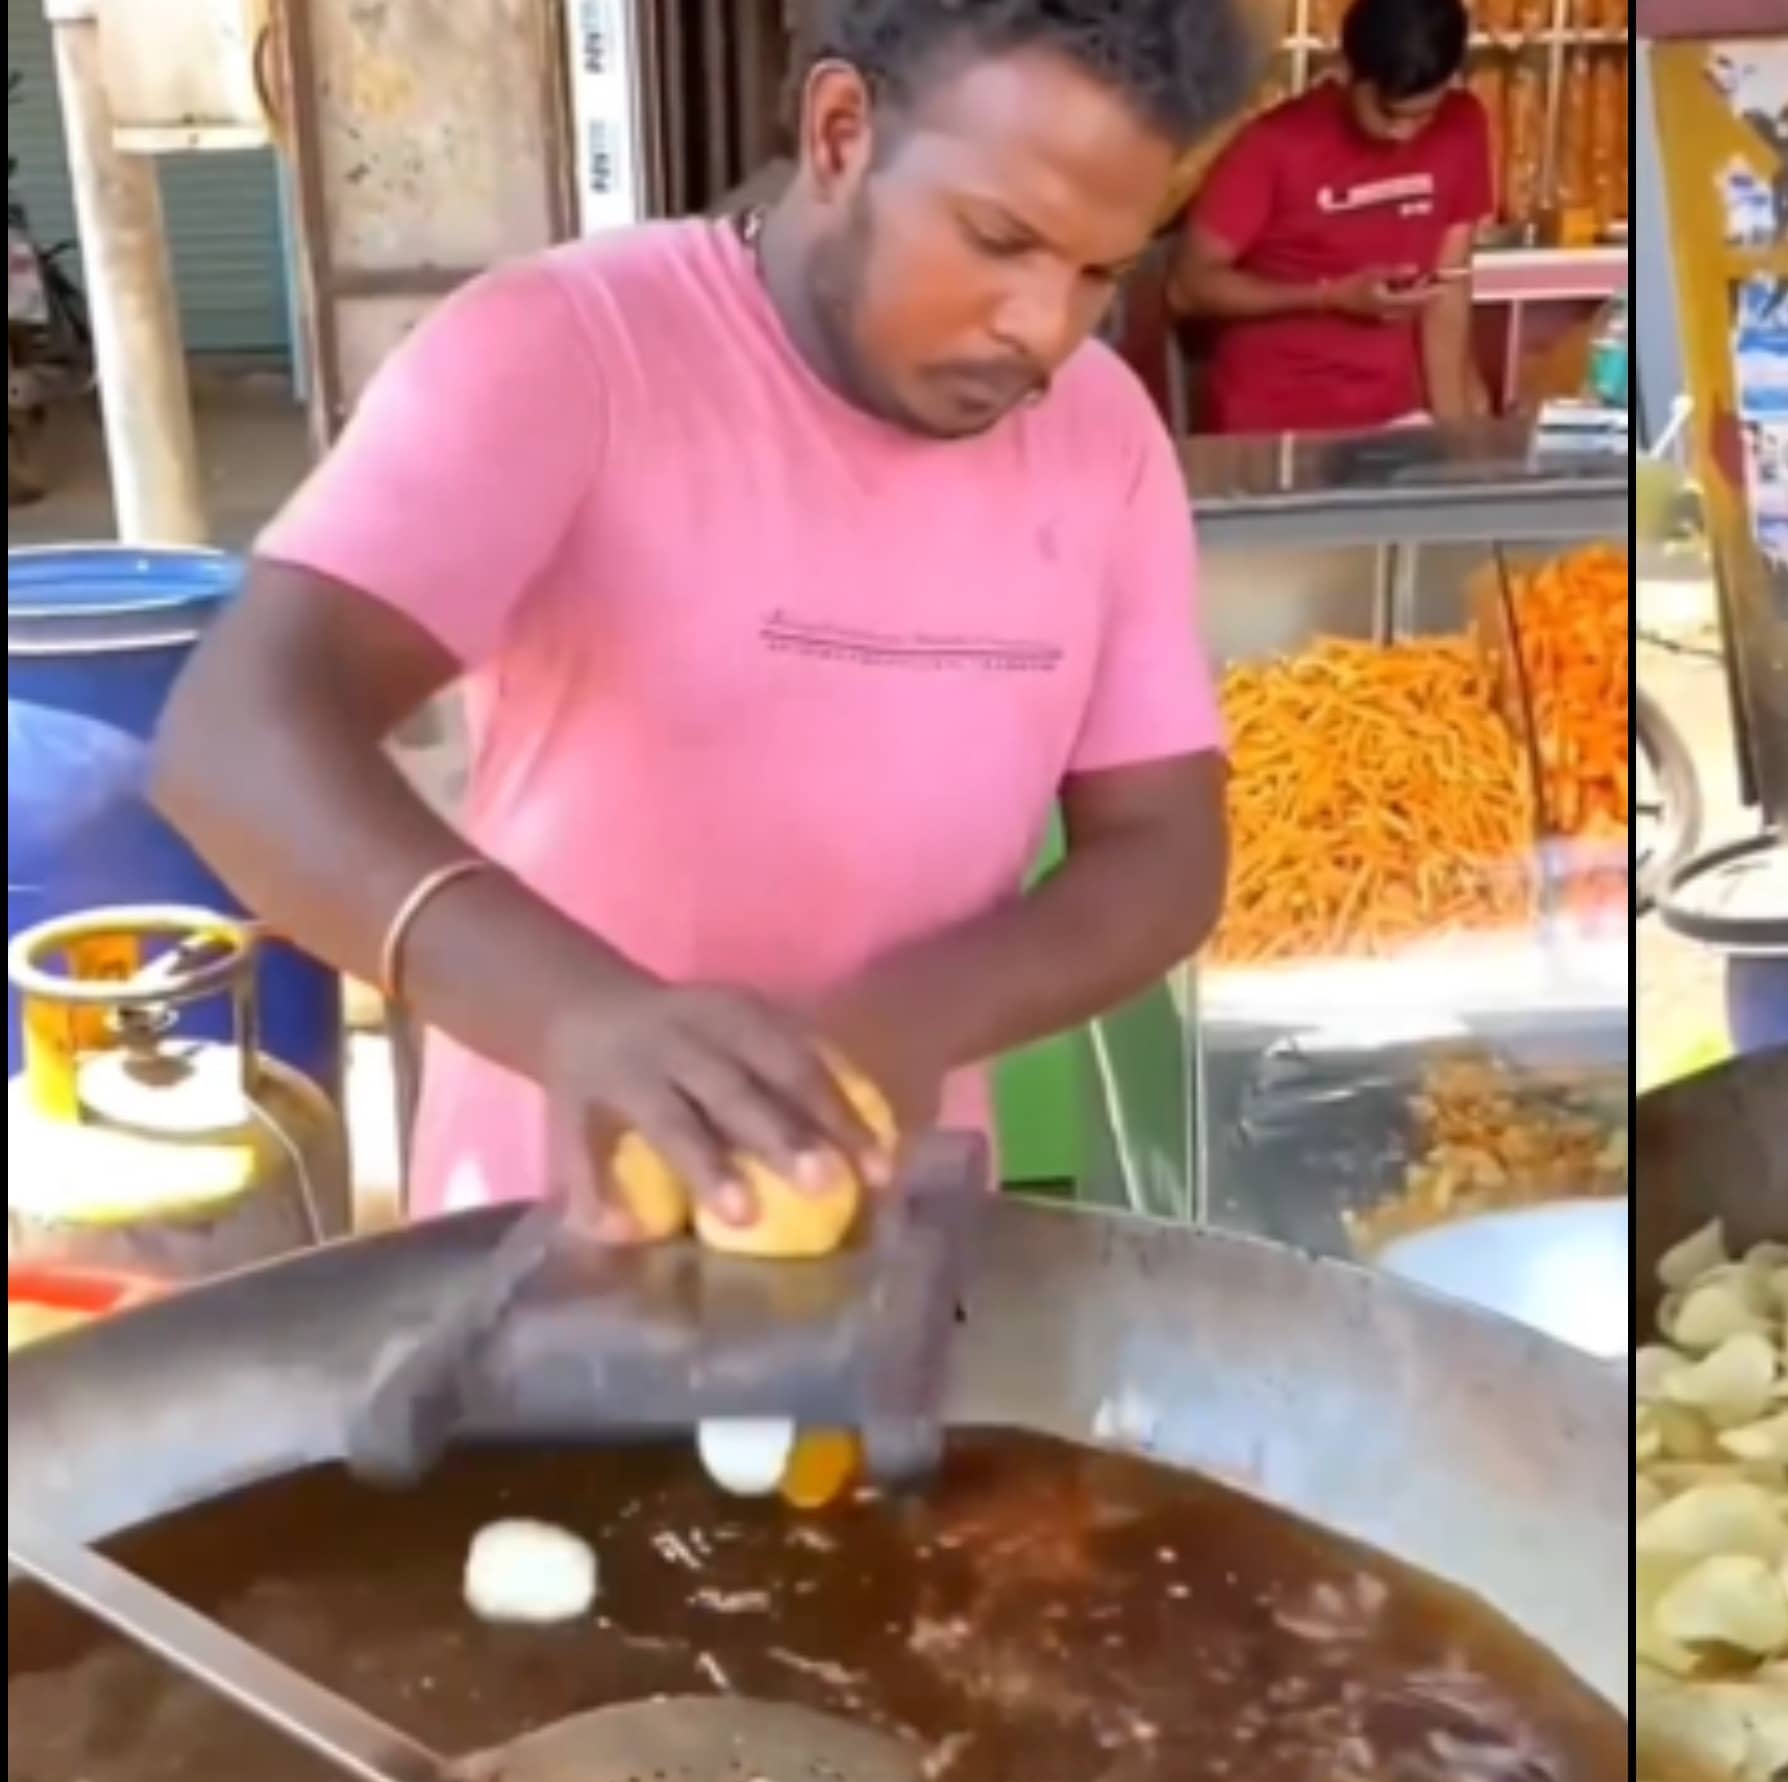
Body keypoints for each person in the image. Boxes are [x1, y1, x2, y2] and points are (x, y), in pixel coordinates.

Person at [152, 0, 1260, 1234]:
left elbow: (1164, 850)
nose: (1045, 328)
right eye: (1001, 238)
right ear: (842, 131)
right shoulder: (570, 353)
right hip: (549, 1237)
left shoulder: (1104, 441)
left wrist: (913, 1017)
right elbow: (234, 738)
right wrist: (582, 1016)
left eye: (1100, 268)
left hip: (897, 1246)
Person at [1169, 0, 1494, 431]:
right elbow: (1187, 290)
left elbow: (1447, 291)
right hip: (1274, 419)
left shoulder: (1463, 127)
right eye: (1389, 114)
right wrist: (1330, 296)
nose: (1404, 133)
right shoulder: (1273, 145)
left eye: (1424, 116)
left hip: (1395, 416)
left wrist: (1454, 437)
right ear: (1345, 71)